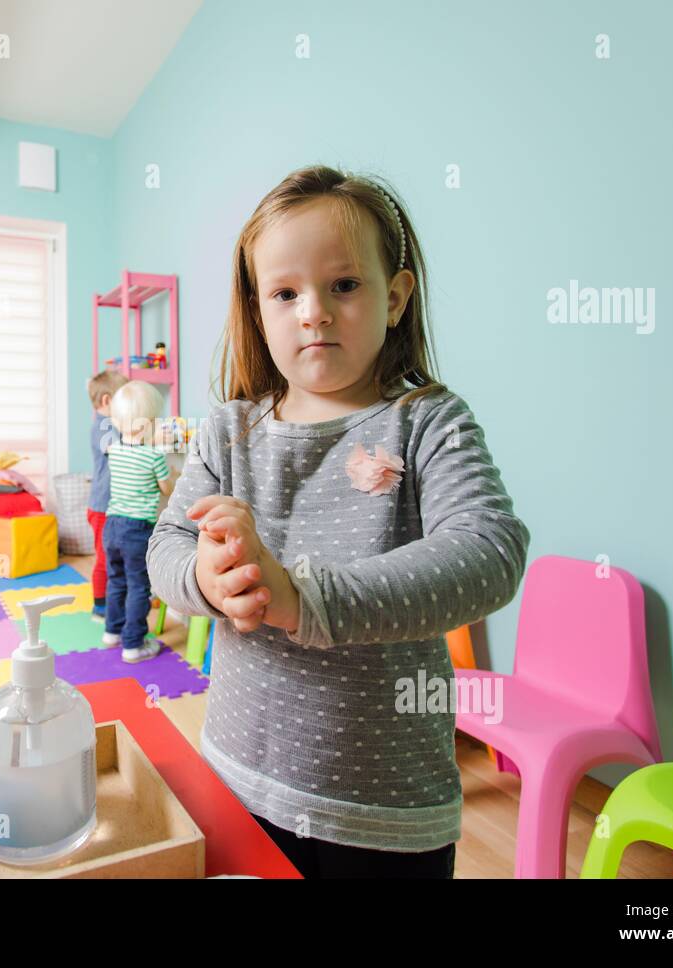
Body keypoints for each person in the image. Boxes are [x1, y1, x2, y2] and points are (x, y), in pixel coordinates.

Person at [147, 165, 531, 878]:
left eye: (344, 285)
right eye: (285, 293)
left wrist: (301, 598)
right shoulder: (229, 430)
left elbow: (489, 550)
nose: (314, 312)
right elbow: (166, 544)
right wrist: (204, 576)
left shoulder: (427, 422)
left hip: (383, 817)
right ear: (258, 310)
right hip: (237, 780)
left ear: (395, 297)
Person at [102, 380, 177, 662]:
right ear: (148, 425)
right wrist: (169, 469)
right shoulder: (154, 456)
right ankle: (133, 644)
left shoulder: (113, 451)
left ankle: (112, 631)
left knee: (116, 580)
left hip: (112, 527)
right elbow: (166, 490)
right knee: (138, 585)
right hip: (137, 529)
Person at [86, 369, 129, 623]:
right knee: (104, 558)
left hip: (113, 505)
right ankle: (100, 606)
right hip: (103, 505)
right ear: (106, 401)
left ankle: (115, 599)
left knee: (115, 556)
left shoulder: (113, 425)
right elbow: (115, 449)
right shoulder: (103, 426)